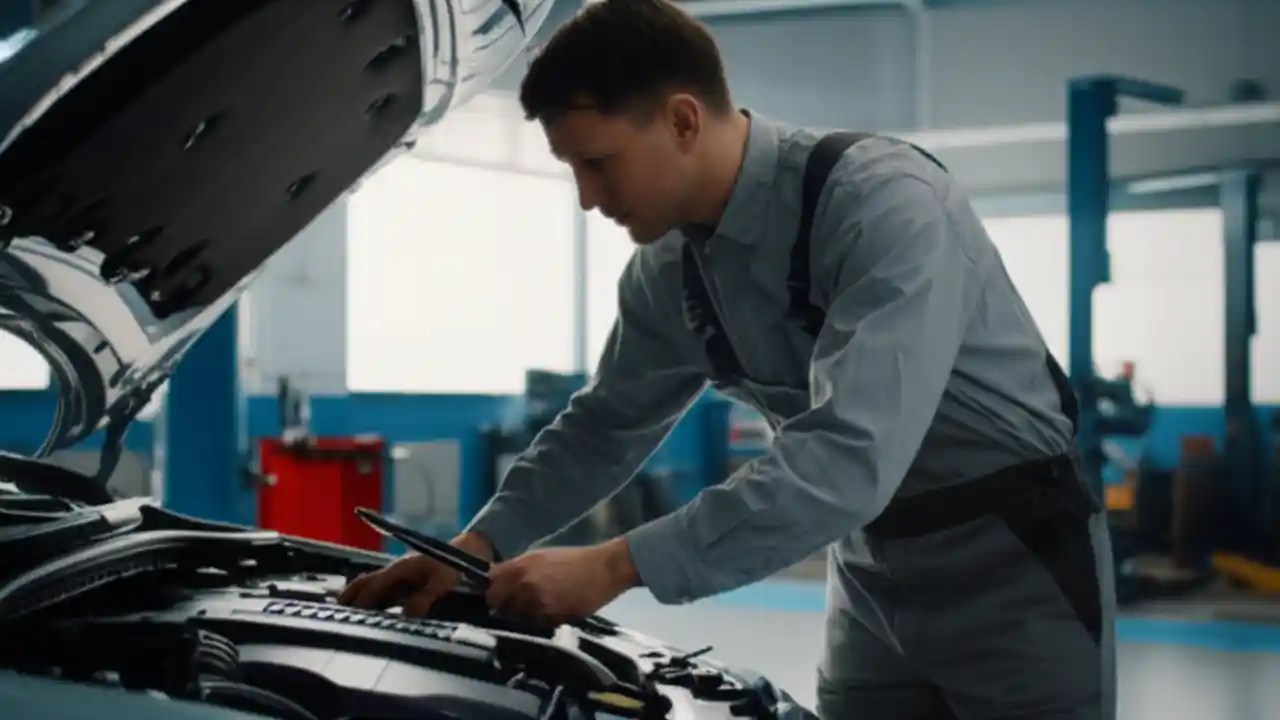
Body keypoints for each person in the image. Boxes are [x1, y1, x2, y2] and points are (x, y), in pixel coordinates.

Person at [339, 1, 1116, 717]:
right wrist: (476, 548)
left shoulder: (885, 205)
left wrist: (616, 565)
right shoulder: (669, 267)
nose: (585, 196)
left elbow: (850, 457)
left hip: (1013, 562)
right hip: (873, 570)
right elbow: (605, 426)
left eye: (599, 162)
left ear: (682, 120)